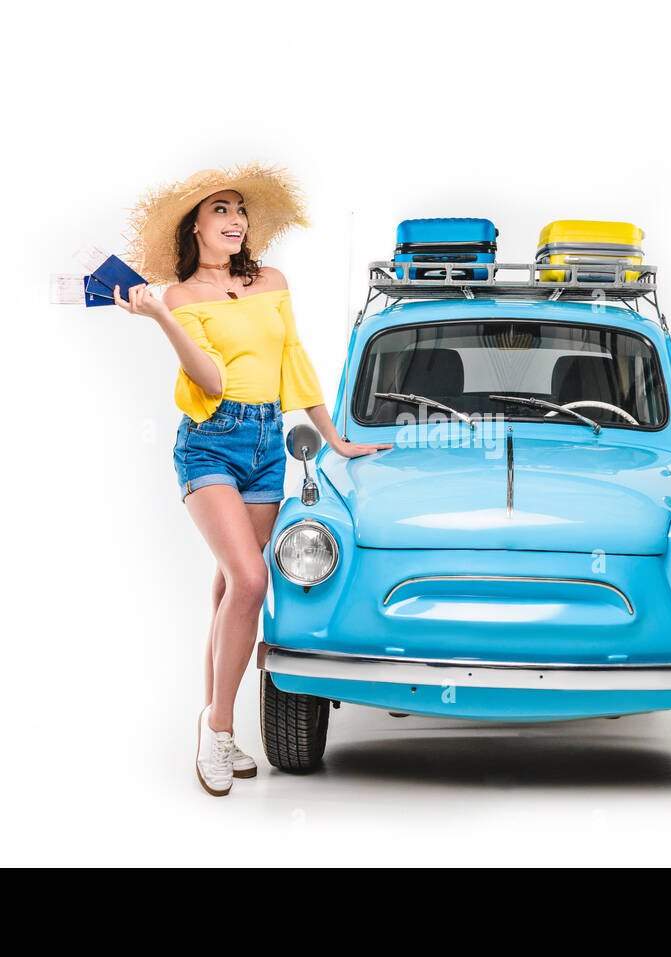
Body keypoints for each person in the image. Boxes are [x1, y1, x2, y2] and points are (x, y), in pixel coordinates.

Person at [115, 164, 391, 796]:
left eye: (239, 210)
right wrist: (162, 316)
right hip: (211, 443)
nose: (235, 219)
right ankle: (217, 729)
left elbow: (294, 357)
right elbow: (209, 384)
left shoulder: (272, 281)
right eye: (221, 210)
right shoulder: (180, 298)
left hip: (269, 442)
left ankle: (218, 727)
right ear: (196, 227)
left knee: (228, 588)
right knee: (250, 578)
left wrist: (336, 437)